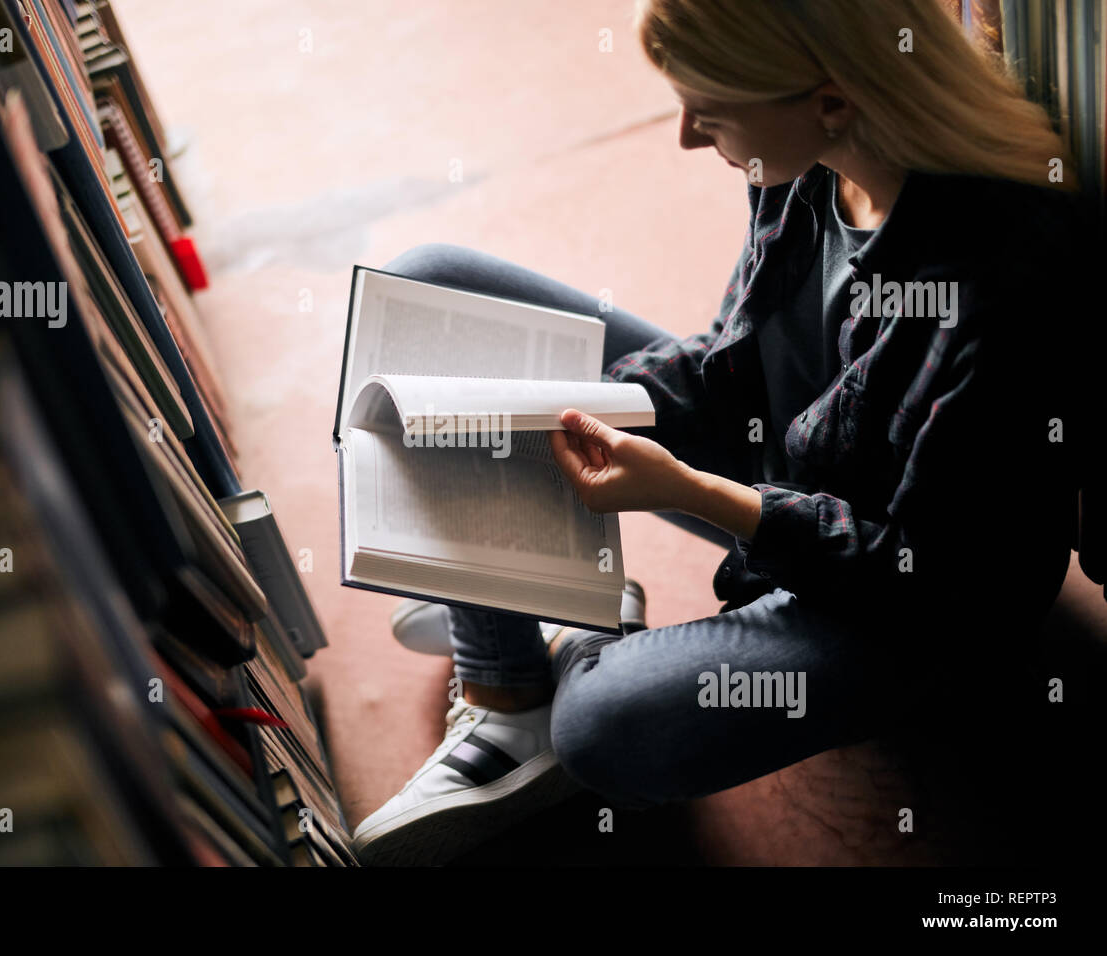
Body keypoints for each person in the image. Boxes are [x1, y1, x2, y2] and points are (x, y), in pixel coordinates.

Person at [350, 0, 1094, 866]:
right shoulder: (810, 162)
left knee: (604, 729)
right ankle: (510, 690)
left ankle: (560, 623)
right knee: (428, 289)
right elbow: (727, 361)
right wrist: (557, 408)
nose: (686, 137)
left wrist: (694, 493)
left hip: (905, 601)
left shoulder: (994, 288)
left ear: (831, 101)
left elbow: (922, 576)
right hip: (795, 453)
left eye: (709, 108)